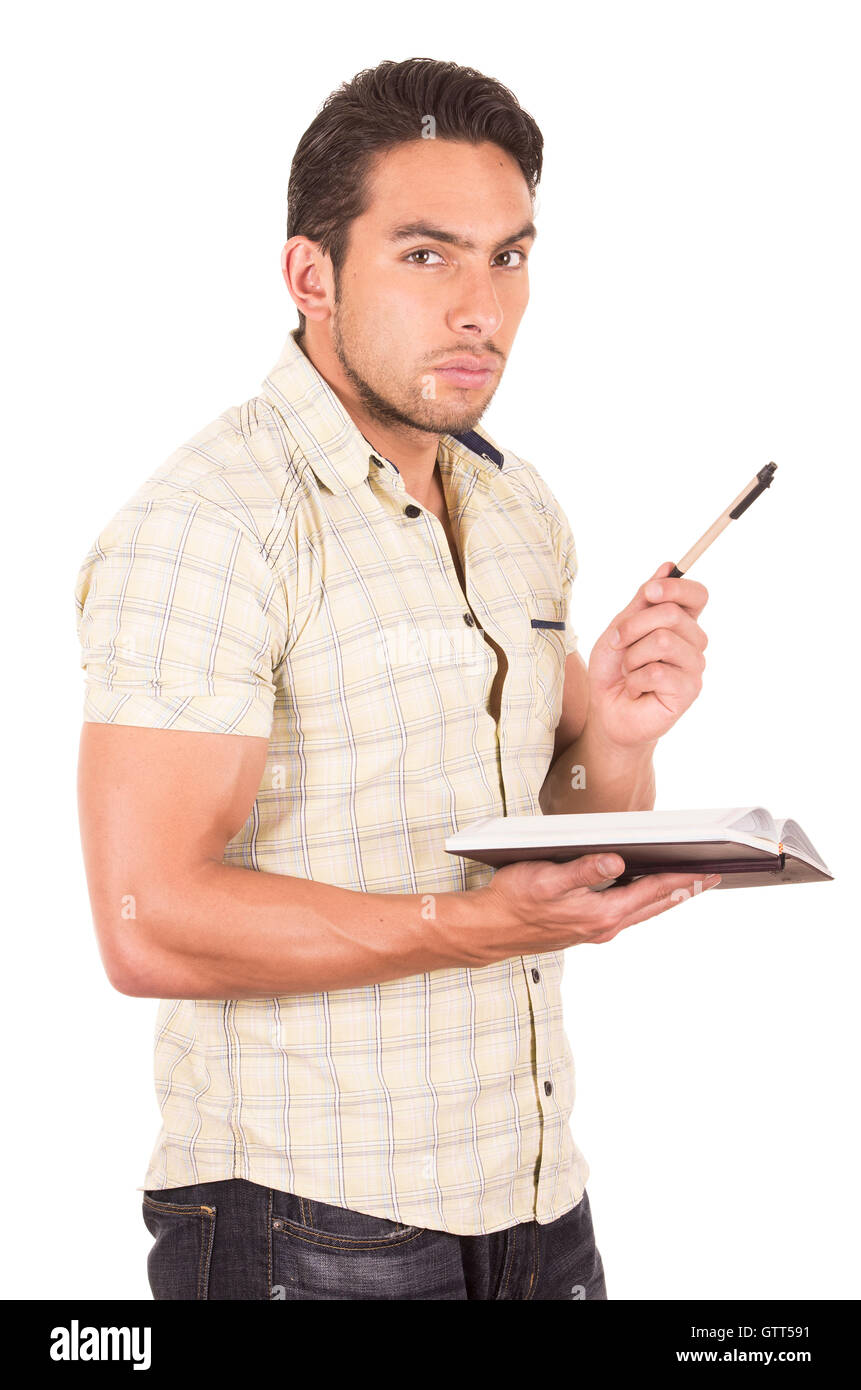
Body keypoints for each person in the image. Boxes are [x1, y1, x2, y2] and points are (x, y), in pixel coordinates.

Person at [74, 56, 713, 1302]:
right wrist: (474, 928)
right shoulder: (213, 526)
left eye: (508, 257)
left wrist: (625, 737)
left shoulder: (514, 500)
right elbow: (144, 921)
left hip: (533, 1196)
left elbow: (564, 833)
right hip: (308, 1217)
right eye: (428, 256)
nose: (482, 307)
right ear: (311, 274)